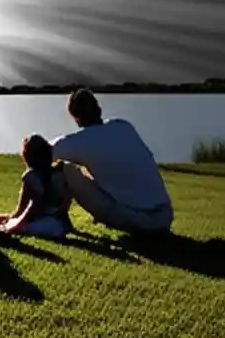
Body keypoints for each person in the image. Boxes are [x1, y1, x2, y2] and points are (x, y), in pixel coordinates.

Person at [50, 88, 174, 234]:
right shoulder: (123, 126)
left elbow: (42, 151)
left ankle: (55, 219)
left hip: (138, 220)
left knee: (64, 169)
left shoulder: (82, 141)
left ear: (77, 119)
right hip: (165, 216)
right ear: (98, 109)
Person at [0, 134, 70, 239]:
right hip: (60, 225)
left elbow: (20, 211)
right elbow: (64, 206)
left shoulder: (30, 176)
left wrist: (9, 221)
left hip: (42, 224)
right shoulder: (60, 172)